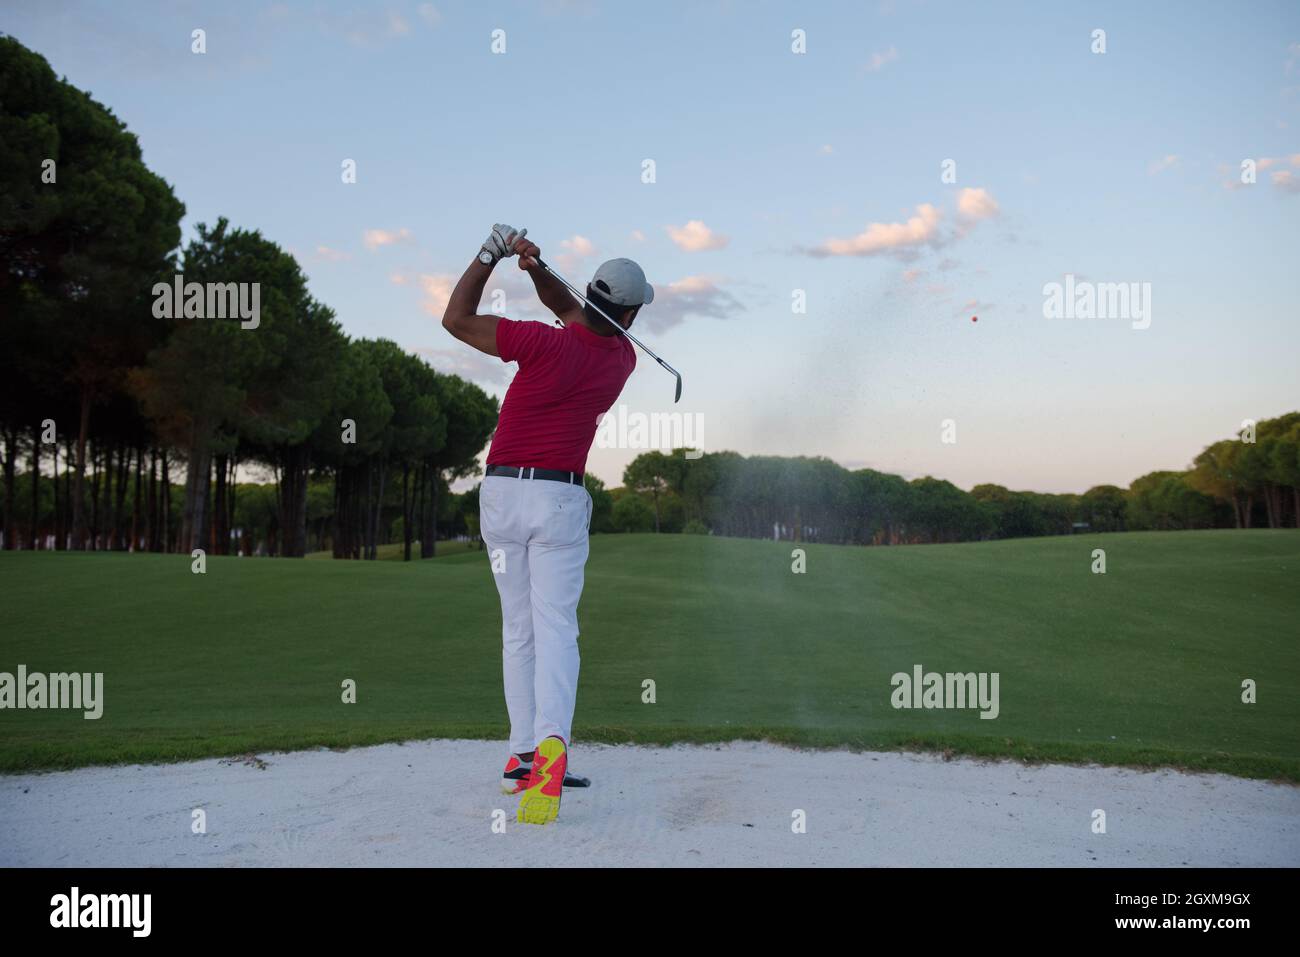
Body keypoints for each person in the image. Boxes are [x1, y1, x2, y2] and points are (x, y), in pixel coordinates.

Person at [442, 224, 654, 825]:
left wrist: (492, 254)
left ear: (592, 293)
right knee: (556, 625)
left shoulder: (538, 342)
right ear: (631, 314)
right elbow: (574, 312)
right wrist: (535, 268)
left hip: (503, 495)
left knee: (519, 629)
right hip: (559, 501)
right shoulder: (622, 359)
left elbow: (456, 319)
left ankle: (523, 757)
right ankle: (549, 749)